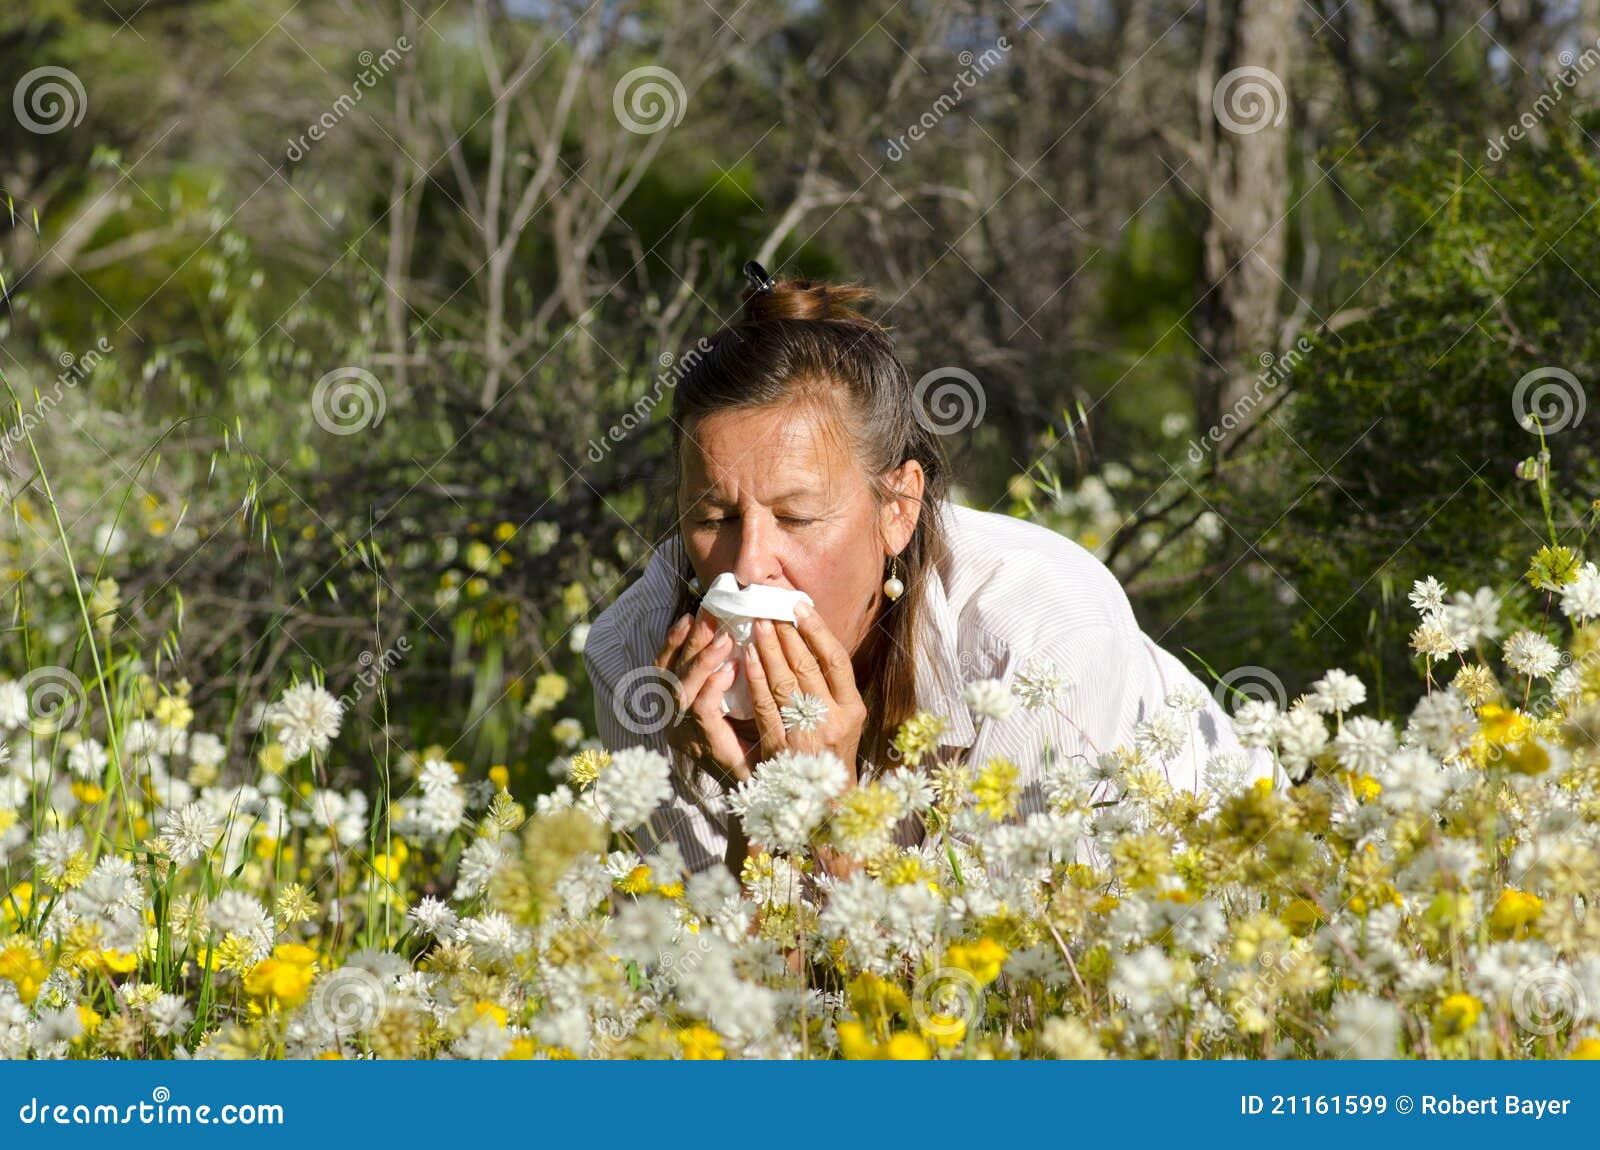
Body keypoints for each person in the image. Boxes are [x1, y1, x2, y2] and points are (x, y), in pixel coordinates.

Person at [584, 264, 1275, 875]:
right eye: (713, 519)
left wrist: (826, 814)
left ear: (899, 508)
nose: (749, 565)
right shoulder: (637, 660)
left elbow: (1000, 993)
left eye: (795, 519)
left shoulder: (1037, 636)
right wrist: (752, 807)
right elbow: (722, 994)